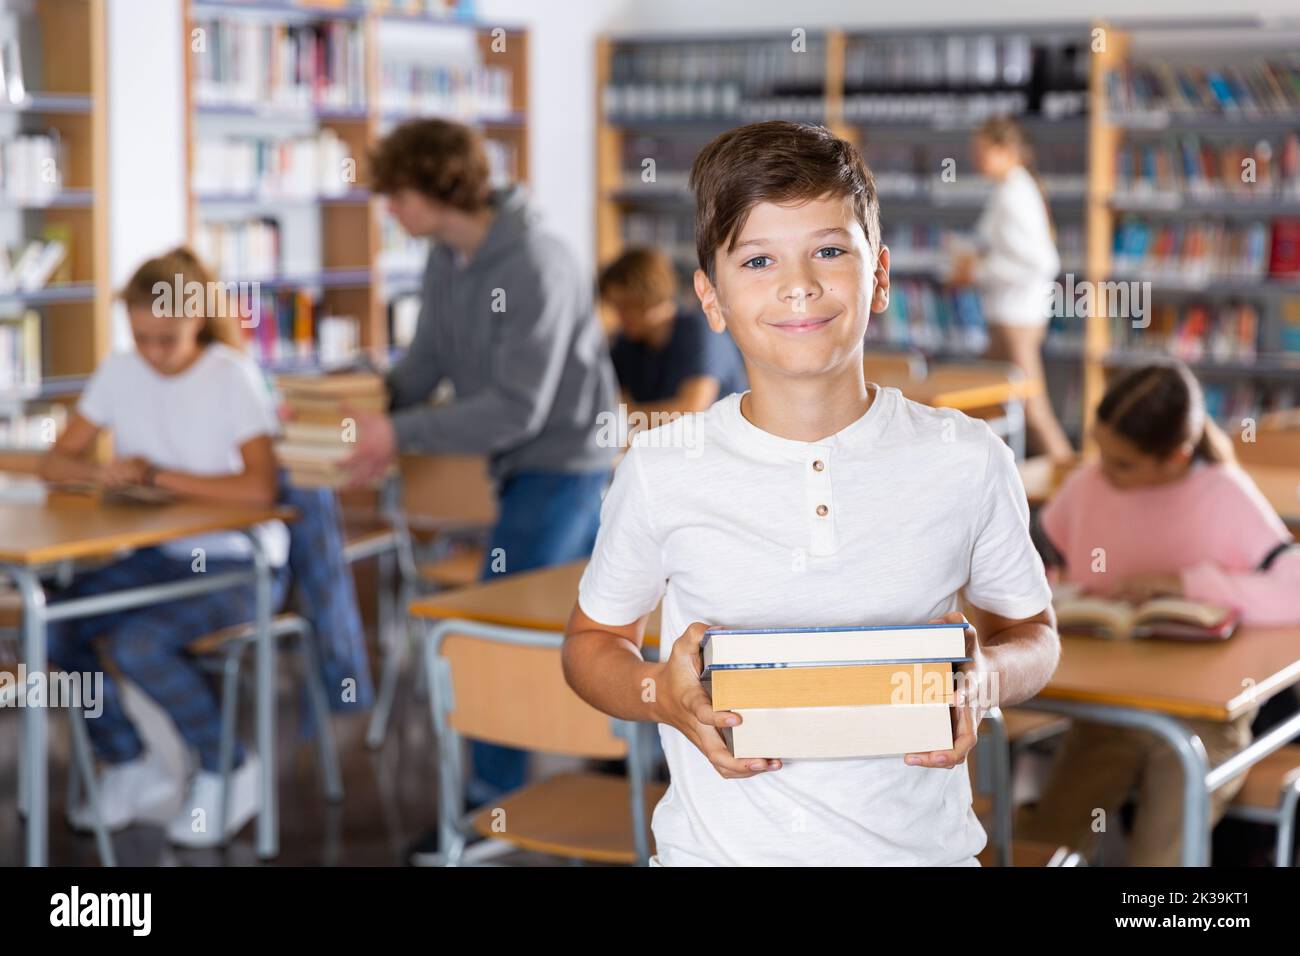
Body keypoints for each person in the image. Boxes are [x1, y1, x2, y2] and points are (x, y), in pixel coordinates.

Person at [562, 120, 1060, 866]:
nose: (799, 284)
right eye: (758, 259)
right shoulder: (662, 468)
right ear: (711, 297)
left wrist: (985, 679)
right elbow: (591, 646)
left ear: (880, 275)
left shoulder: (966, 457)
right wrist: (659, 696)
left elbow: (1035, 638)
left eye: (829, 250)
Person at [340, 119, 618, 809]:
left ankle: (487, 804)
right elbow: (427, 361)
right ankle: (628, 770)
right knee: (602, 624)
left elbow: (517, 409)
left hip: (564, 463)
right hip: (516, 464)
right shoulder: (445, 257)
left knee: (504, 627)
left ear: (438, 188)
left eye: (398, 194)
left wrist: (395, 429)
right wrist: (358, 407)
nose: (390, 210)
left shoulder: (536, 263)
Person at [39, 247, 290, 847]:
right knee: (51, 625)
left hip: (240, 560)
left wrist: (156, 476)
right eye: (141, 336)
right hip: (158, 555)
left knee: (139, 644)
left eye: (167, 339)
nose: (152, 353)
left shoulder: (232, 377)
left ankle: (230, 765)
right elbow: (55, 461)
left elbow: (259, 488)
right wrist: (95, 472)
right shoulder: (120, 372)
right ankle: (128, 762)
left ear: (197, 318)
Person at [1018, 359, 1300, 865]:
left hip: (1202, 721)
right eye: (1101, 452)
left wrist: (1186, 584)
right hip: (1110, 707)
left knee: (1161, 855)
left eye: (1123, 464)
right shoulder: (1090, 484)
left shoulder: (1222, 493)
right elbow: (1048, 568)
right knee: (1051, 838)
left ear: (1176, 458)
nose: (1104, 471)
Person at [951, 116, 1073, 460]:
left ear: (1006, 151)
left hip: (1018, 317)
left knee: (1032, 408)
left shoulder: (1015, 194)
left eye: (982, 151)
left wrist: (977, 270)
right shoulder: (1009, 189)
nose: (975, 159)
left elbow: (1041, 263)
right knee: (984, 400)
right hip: (1005, 315)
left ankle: (1074, 483)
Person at [599, 247, 747, 416]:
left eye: (627, 306)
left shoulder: (700, 332)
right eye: (616, 307)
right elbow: (616, 404)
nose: (619, 316)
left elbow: (691, 410)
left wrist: (627, 417)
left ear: (649, 295)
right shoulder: (626, 344)